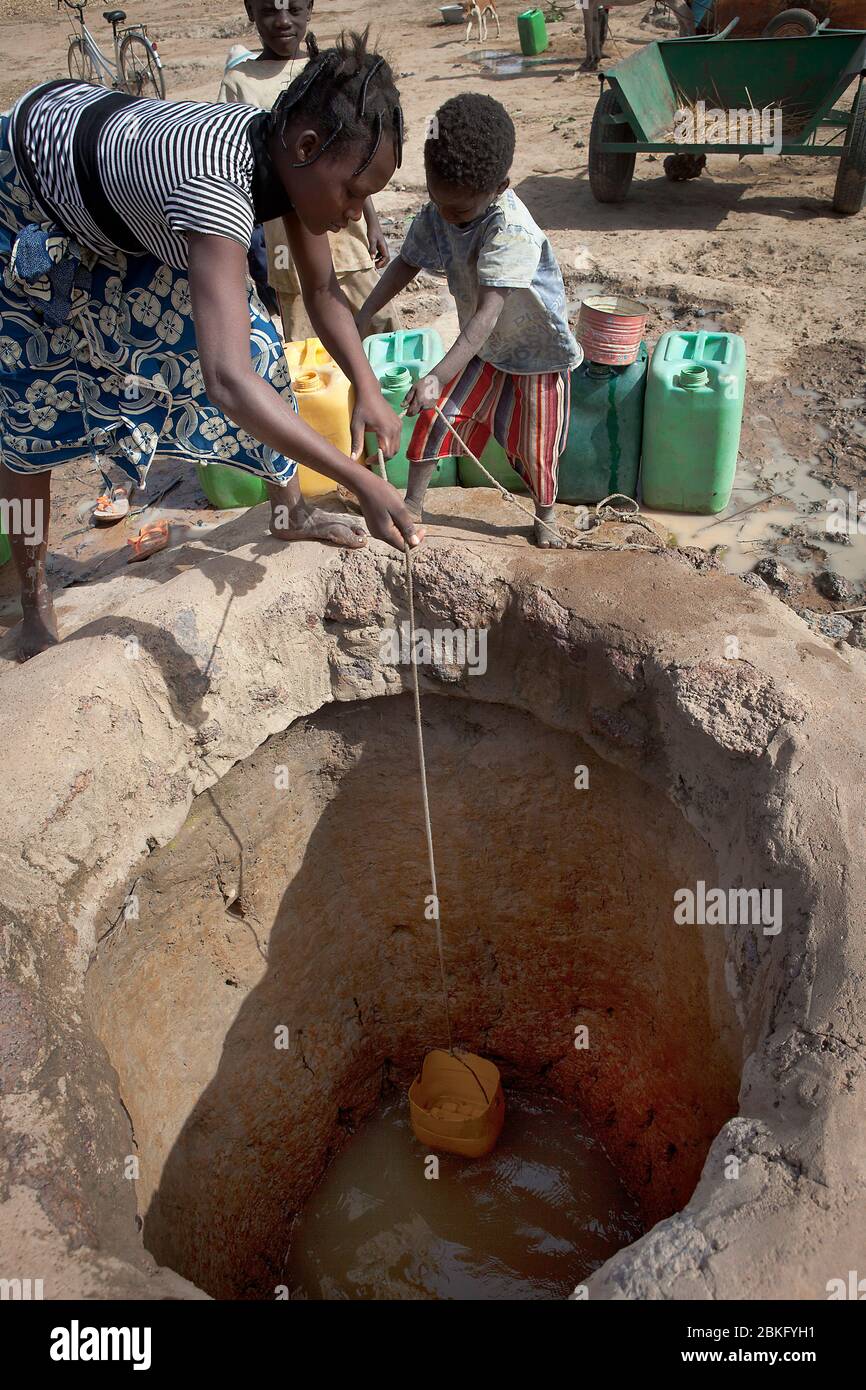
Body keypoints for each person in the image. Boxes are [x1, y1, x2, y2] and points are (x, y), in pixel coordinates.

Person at [0, 32, 420, 661]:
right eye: (356, 193)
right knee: (29, 416)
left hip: (119, 184)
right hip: (29, 181)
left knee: (261, 342)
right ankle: (32, 603)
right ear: (307, 148)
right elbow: (225, 380)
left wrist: (364, 384)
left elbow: (324, 287)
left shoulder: (286, 157)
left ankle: (291, 515)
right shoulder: (216, 187)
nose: (359, 214)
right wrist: (359, 479)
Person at [356, 92, 582, 547]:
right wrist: (361, 316)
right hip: (483, 348)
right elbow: (407, 261)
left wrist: (437, 374)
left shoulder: (511, 229)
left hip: (536, 351)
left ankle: (545, 515)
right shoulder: (443, 207)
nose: (446, 215)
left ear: (498, 186)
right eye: (438, 202)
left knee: (539, 444)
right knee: (439, 417)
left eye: (458, 211)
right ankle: (414, 504)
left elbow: (487, 314)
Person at [219, 0, 400, 341]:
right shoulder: (240, 82)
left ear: (311, 8)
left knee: (377, 332)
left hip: (350, 244)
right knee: (310, 351)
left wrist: (372, 222)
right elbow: (241, 172)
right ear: (250, 10)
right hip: (287, 248)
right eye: (271, 11)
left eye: (295, 9)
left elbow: (355, 161)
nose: (283, 21)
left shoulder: (327, 72)